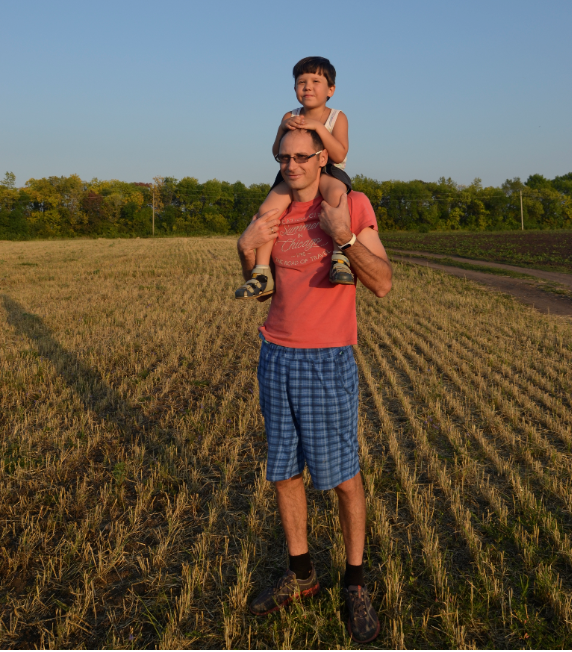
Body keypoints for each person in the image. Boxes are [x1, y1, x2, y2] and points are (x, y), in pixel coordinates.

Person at [236, 127, 392, 643]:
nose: (292, 165)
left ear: (323, 157)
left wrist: (343, 236)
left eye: (302, 156)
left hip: (327, 359)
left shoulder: (351, 203)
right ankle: (302, 574)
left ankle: (355, 584)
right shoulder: (274, 214)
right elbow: (262, 293)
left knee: (343, 476)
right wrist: (245, 250)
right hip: (275, 353)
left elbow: (383, 282)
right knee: (284, 472)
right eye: (284, 157)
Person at [235, 56, 353, 300]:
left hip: (329, 170)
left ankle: (339, 258)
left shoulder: (336, 117)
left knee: (336, 196)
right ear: (295, 89)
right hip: (292, 170)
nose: (307, 86)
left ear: (331, 89)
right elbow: (277, 152)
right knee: (267, 210)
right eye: (301, 82)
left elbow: (340, 153)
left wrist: (317, 128)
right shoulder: (290, 114)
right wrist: (283, 128)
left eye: (315, 81)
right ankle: (262, 273)